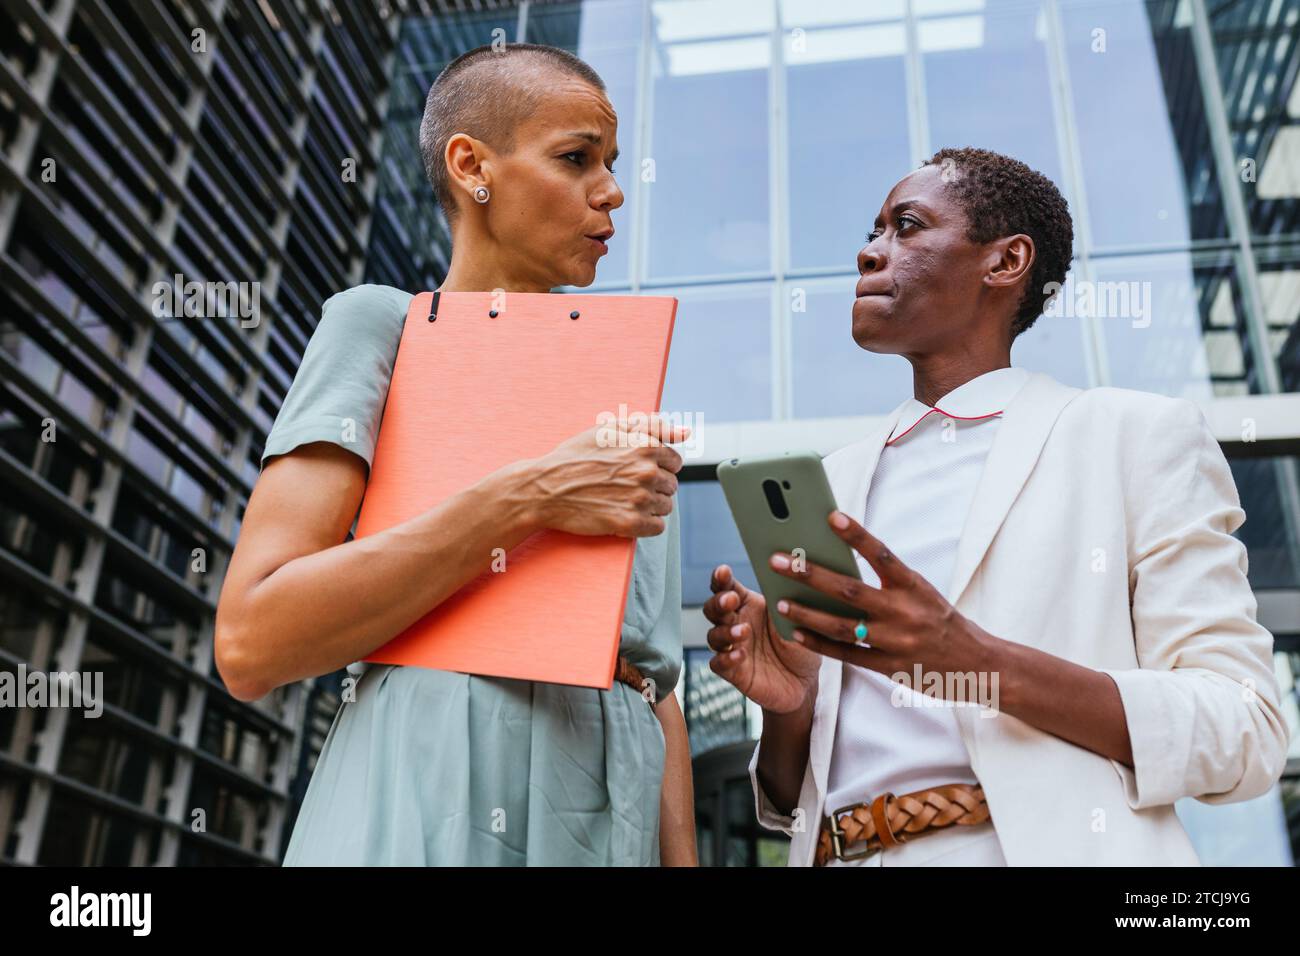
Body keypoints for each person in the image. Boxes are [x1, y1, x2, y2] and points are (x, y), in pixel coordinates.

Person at [704, 146, 1289, 866]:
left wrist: (975, 661)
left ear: (1006, 263)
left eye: (906, 227)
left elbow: (1246, 730)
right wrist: (789, 708)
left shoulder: (1130, 438)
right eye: (873, 231)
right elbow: (795, 798)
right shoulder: (835, 482)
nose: (868, 252)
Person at [214, 43, 696, 866]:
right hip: (426, 795)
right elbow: (253, 641)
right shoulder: (383, 325)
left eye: (611, 164)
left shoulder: (629, 384)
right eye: (577, 159)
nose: (613, 191)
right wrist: (527, 497)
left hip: (613, 813)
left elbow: (655, 687)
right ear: (472, 166)